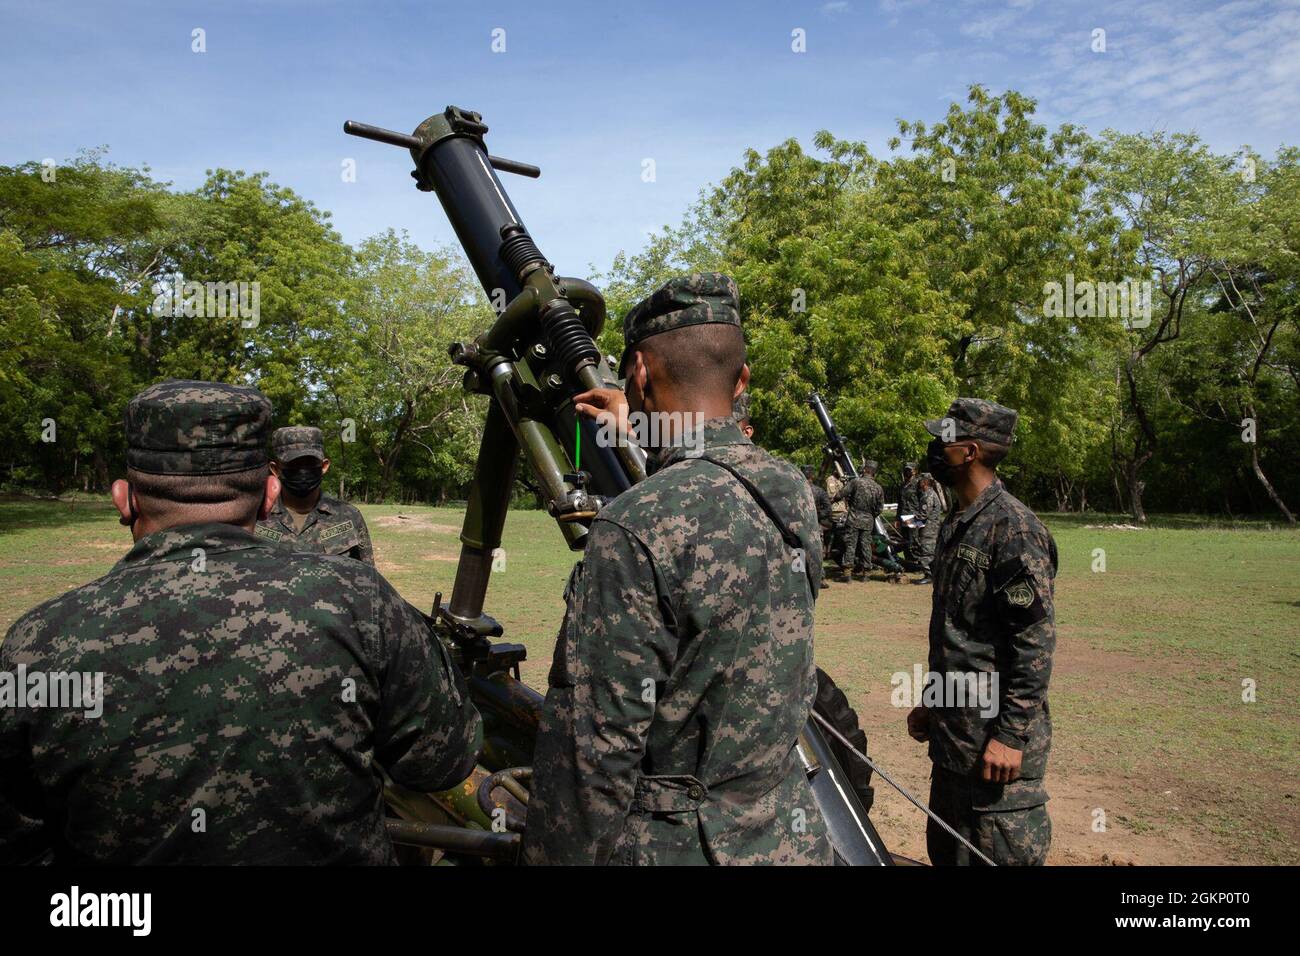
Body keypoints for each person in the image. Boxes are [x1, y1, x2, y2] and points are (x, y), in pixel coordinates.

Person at [0, 380, 482, 865]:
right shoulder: (362, 602)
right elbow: (443, 761)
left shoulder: (34, 644)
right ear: (270, 492)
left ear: (123, 499)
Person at [523, 273, 832, 865]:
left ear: (637, 372)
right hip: (784, 836)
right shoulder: (791, 490)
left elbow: (594, 758)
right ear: (741, 381)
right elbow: (712, 455)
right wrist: (639, 419)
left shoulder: (633, 527)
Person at [905, 398, 1057, 866]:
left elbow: (1033, 642)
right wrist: (934, 700)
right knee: (948, 855)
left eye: (944, 440)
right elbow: (959, 635)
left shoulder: (1011, 528)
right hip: (954, 742)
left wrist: (1011, 736)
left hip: (993, 750)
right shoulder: (958, 523)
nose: (935, 448)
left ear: (968, 452)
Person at [256, 426, 375, 565]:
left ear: (324, 466)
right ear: (275, 469)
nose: (302, 470)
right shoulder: (255, 517)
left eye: (310, 463)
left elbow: (369, 578)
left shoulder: (349, 516)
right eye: (293, 464)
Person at [831, 458, 884, 581]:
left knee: (850, 545)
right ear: (874, 472)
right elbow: (880, 508)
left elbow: (840, 495)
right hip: (868, 520)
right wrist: (871, 515)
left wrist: (835, 499)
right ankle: (866, 574)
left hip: (854, 519)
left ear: (865, 470)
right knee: (866, 546)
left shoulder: (856, 482)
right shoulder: (878, 488)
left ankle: (847, 574)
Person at [803, 465, 833, 590]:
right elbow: (828, 509)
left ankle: (799, 577)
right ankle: (820, 578)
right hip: (815, 525)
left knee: (798, 550)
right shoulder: (819, 491)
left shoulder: (795, 490)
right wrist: (817, 515)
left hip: (800, 526)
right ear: (812, 476)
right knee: (817, 551)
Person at [911, 474, 944, 584]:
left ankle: (929, 575)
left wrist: (910, 522)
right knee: (930, 551)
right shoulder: (931, 493)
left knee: (926, 551)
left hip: (929, 529)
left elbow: (923, 515)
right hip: (932, 527)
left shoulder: (927, 495)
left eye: (920, 481)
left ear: (924, 482)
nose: (918, 483)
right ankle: (932, 574)